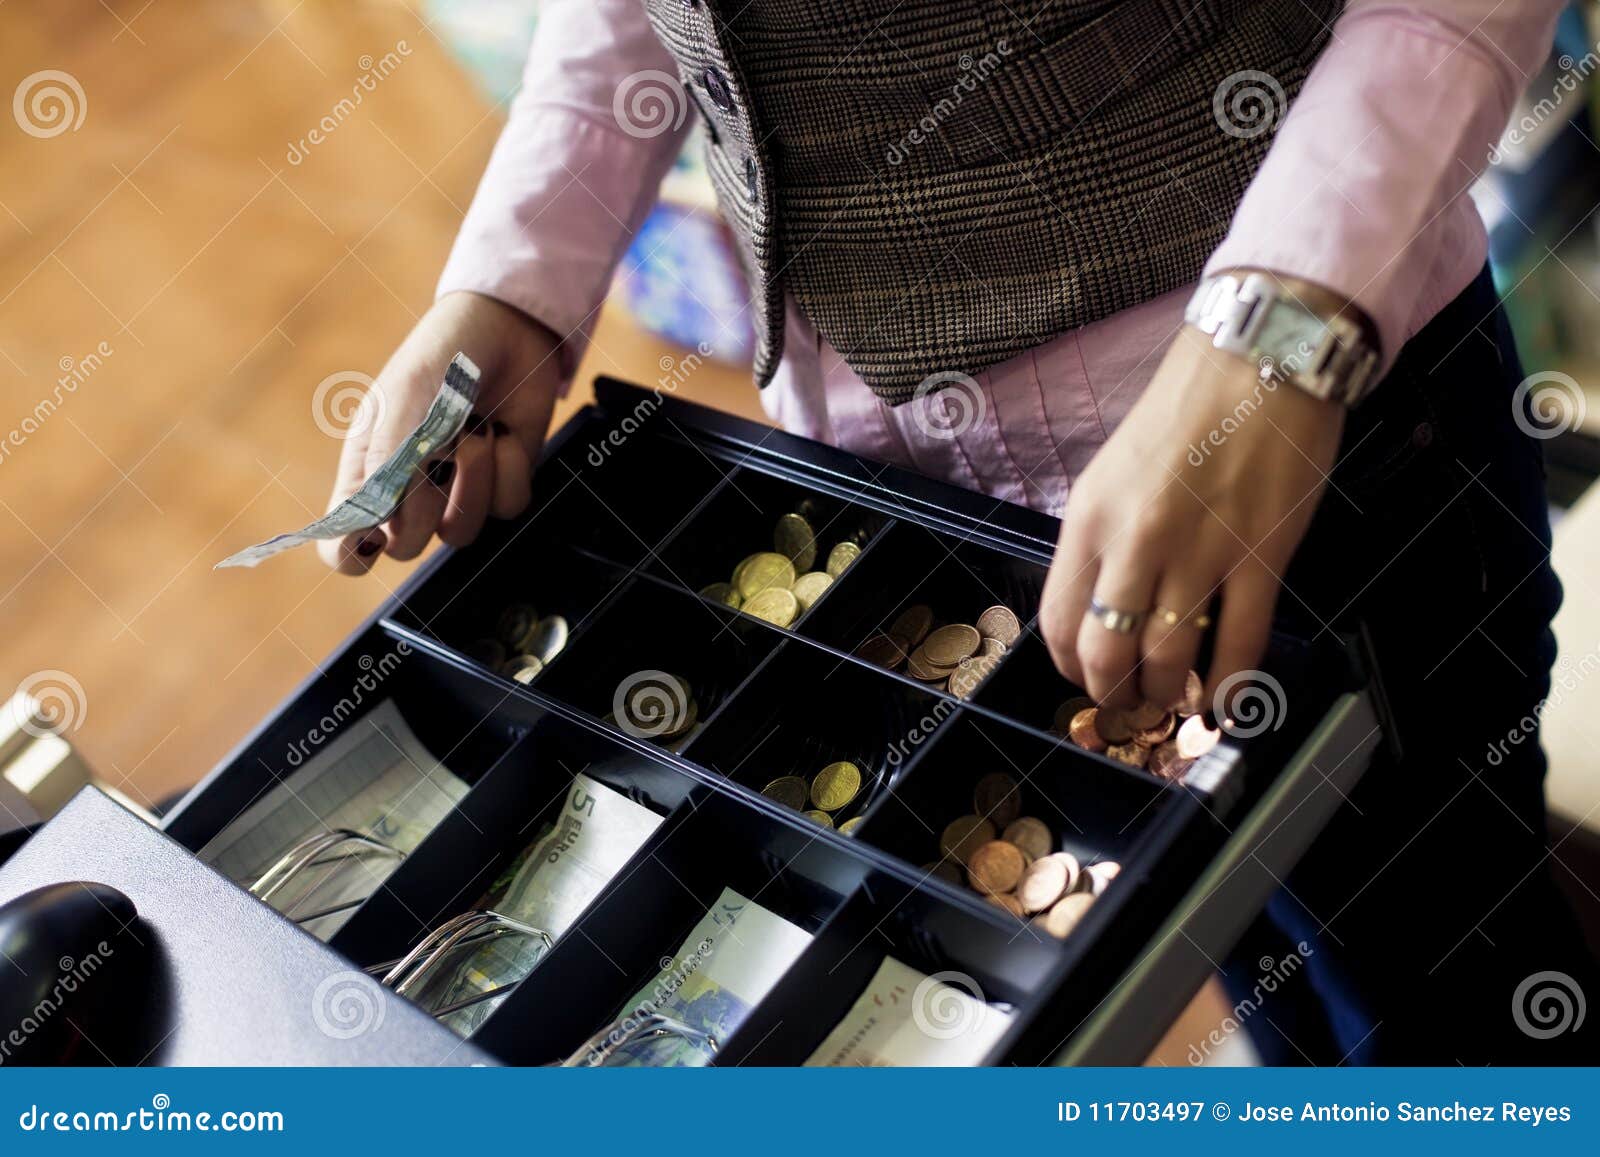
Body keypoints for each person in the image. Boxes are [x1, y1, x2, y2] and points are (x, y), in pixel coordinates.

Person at [318, 1, 1598, 1063]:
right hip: (913, 490)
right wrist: (514, 276)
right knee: (1248, 946)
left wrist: (1278, 336)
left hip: (1323, 452)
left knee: (1445, 982)